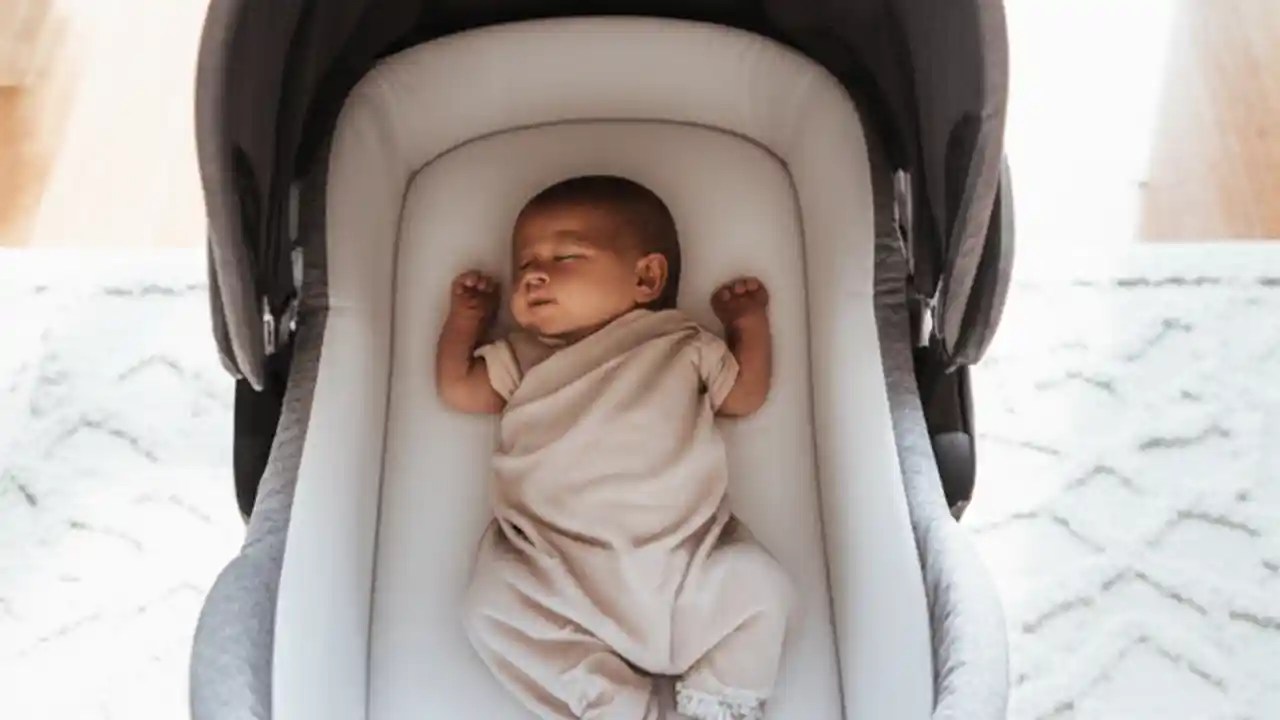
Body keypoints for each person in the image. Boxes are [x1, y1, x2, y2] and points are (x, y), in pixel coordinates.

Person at [436, 175, 793, 720]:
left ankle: (720, 700)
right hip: (555, 570)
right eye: (525, 263)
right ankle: (610, 704)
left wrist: (749, 328)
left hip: (678, 562)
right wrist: (466, 323)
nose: (533, 275)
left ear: (647, 278)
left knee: (761, 587)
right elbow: (459, 389)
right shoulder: (526, 355)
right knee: (488, 608)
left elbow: (743, 396)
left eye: (565, 257)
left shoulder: (681, 343)